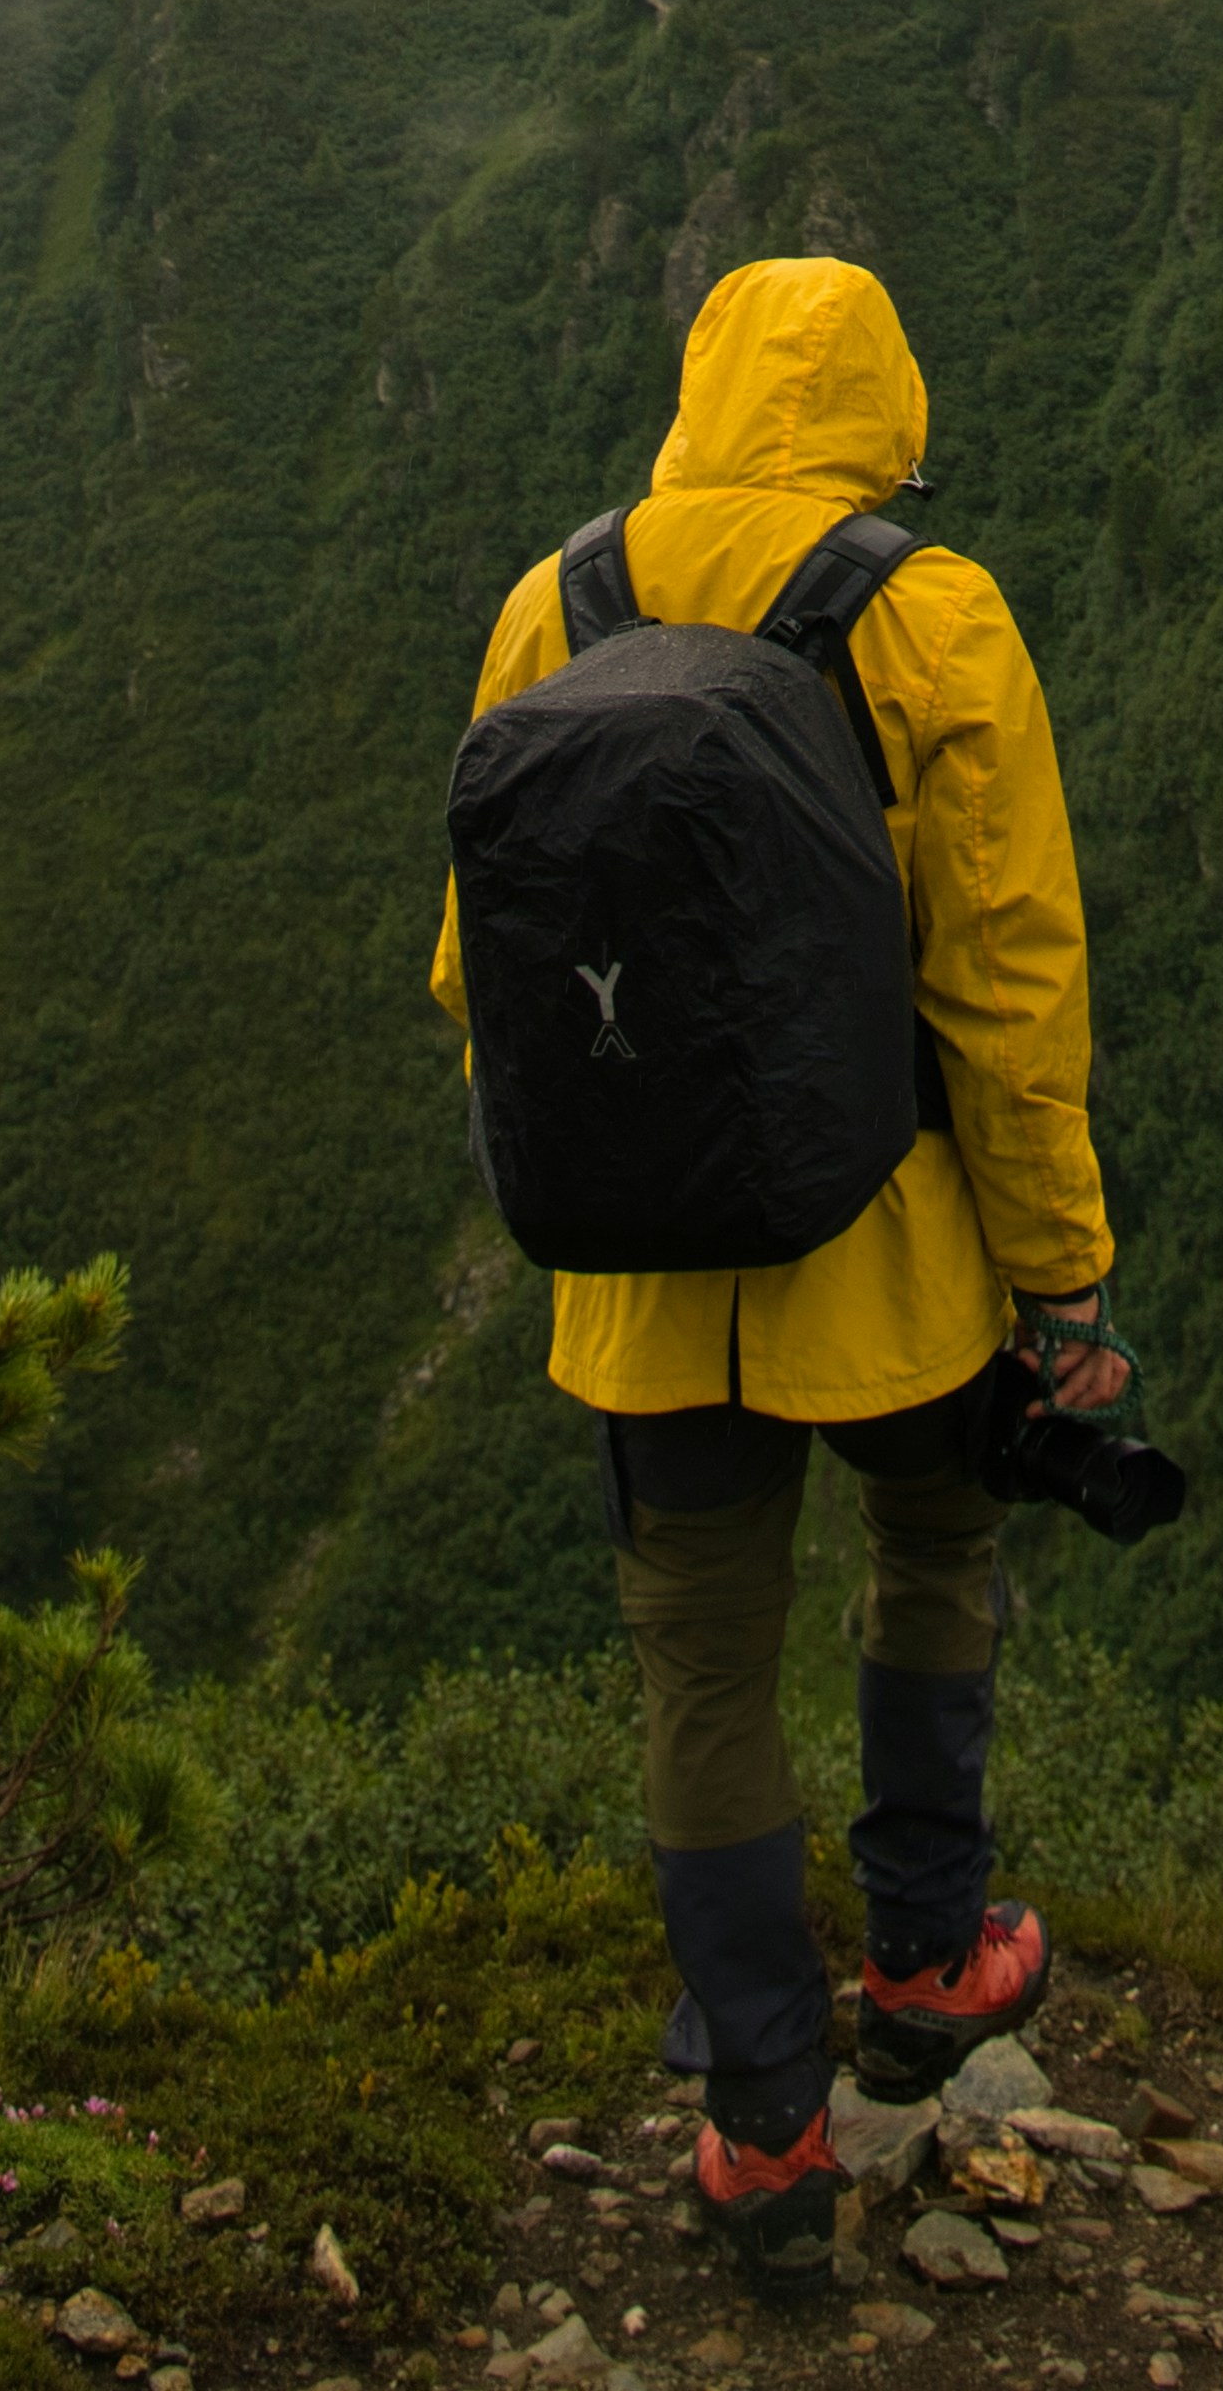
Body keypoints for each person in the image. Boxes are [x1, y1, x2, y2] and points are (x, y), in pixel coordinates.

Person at [431, 254, 1124, 2290]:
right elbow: (1007, 987)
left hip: (643, 1277)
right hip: (887, 1251)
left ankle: (759, 2119)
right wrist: (1062, 1290)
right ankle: (924, 1963)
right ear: (883, 398)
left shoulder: (549, 606)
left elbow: (479, 971)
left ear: (700, 386)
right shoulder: (927, 612)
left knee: (700, 1673)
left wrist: (595, 1166)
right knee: (930, 1561)